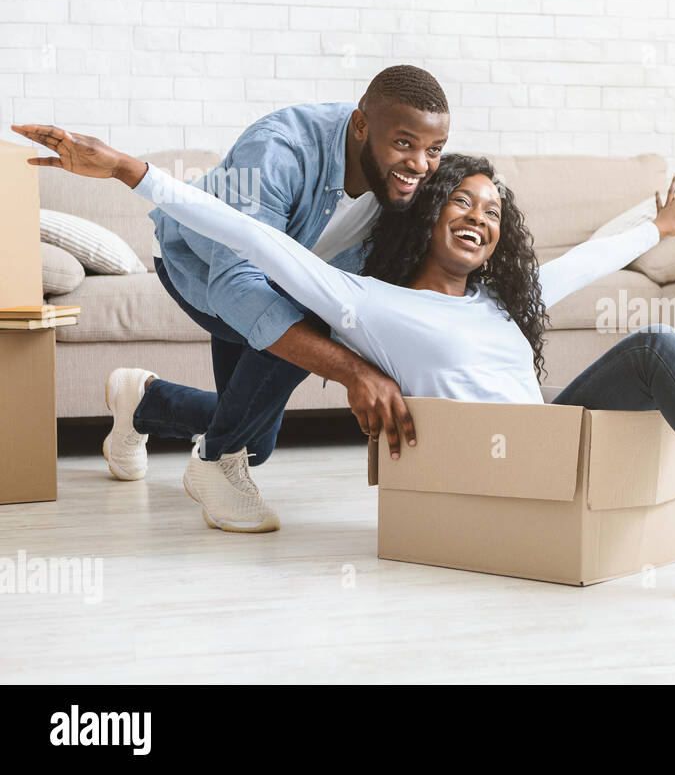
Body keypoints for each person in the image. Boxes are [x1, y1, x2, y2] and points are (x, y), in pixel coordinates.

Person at [15, 123, 675, 575]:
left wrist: (653, 224)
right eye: (462, 203)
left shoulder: (506, 304)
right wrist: (136, 172)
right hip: (508, 465)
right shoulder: (368, 301)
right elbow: (257, 242)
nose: (479, 216)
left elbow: (582, 257)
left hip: (545, 438)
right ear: (427, 216)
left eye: (494, 212)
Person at [98, 65, 451, 533]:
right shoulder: (277, 148)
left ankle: (142, 400)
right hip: (203, 267)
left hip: (284, 285)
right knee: (311, 317)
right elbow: (235, 282)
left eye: (434, 150)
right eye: (404, 144)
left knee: (256, 441)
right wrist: (353, 371)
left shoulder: (410, 184)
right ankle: (213, 459)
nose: (420, 164)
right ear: (361, 125)